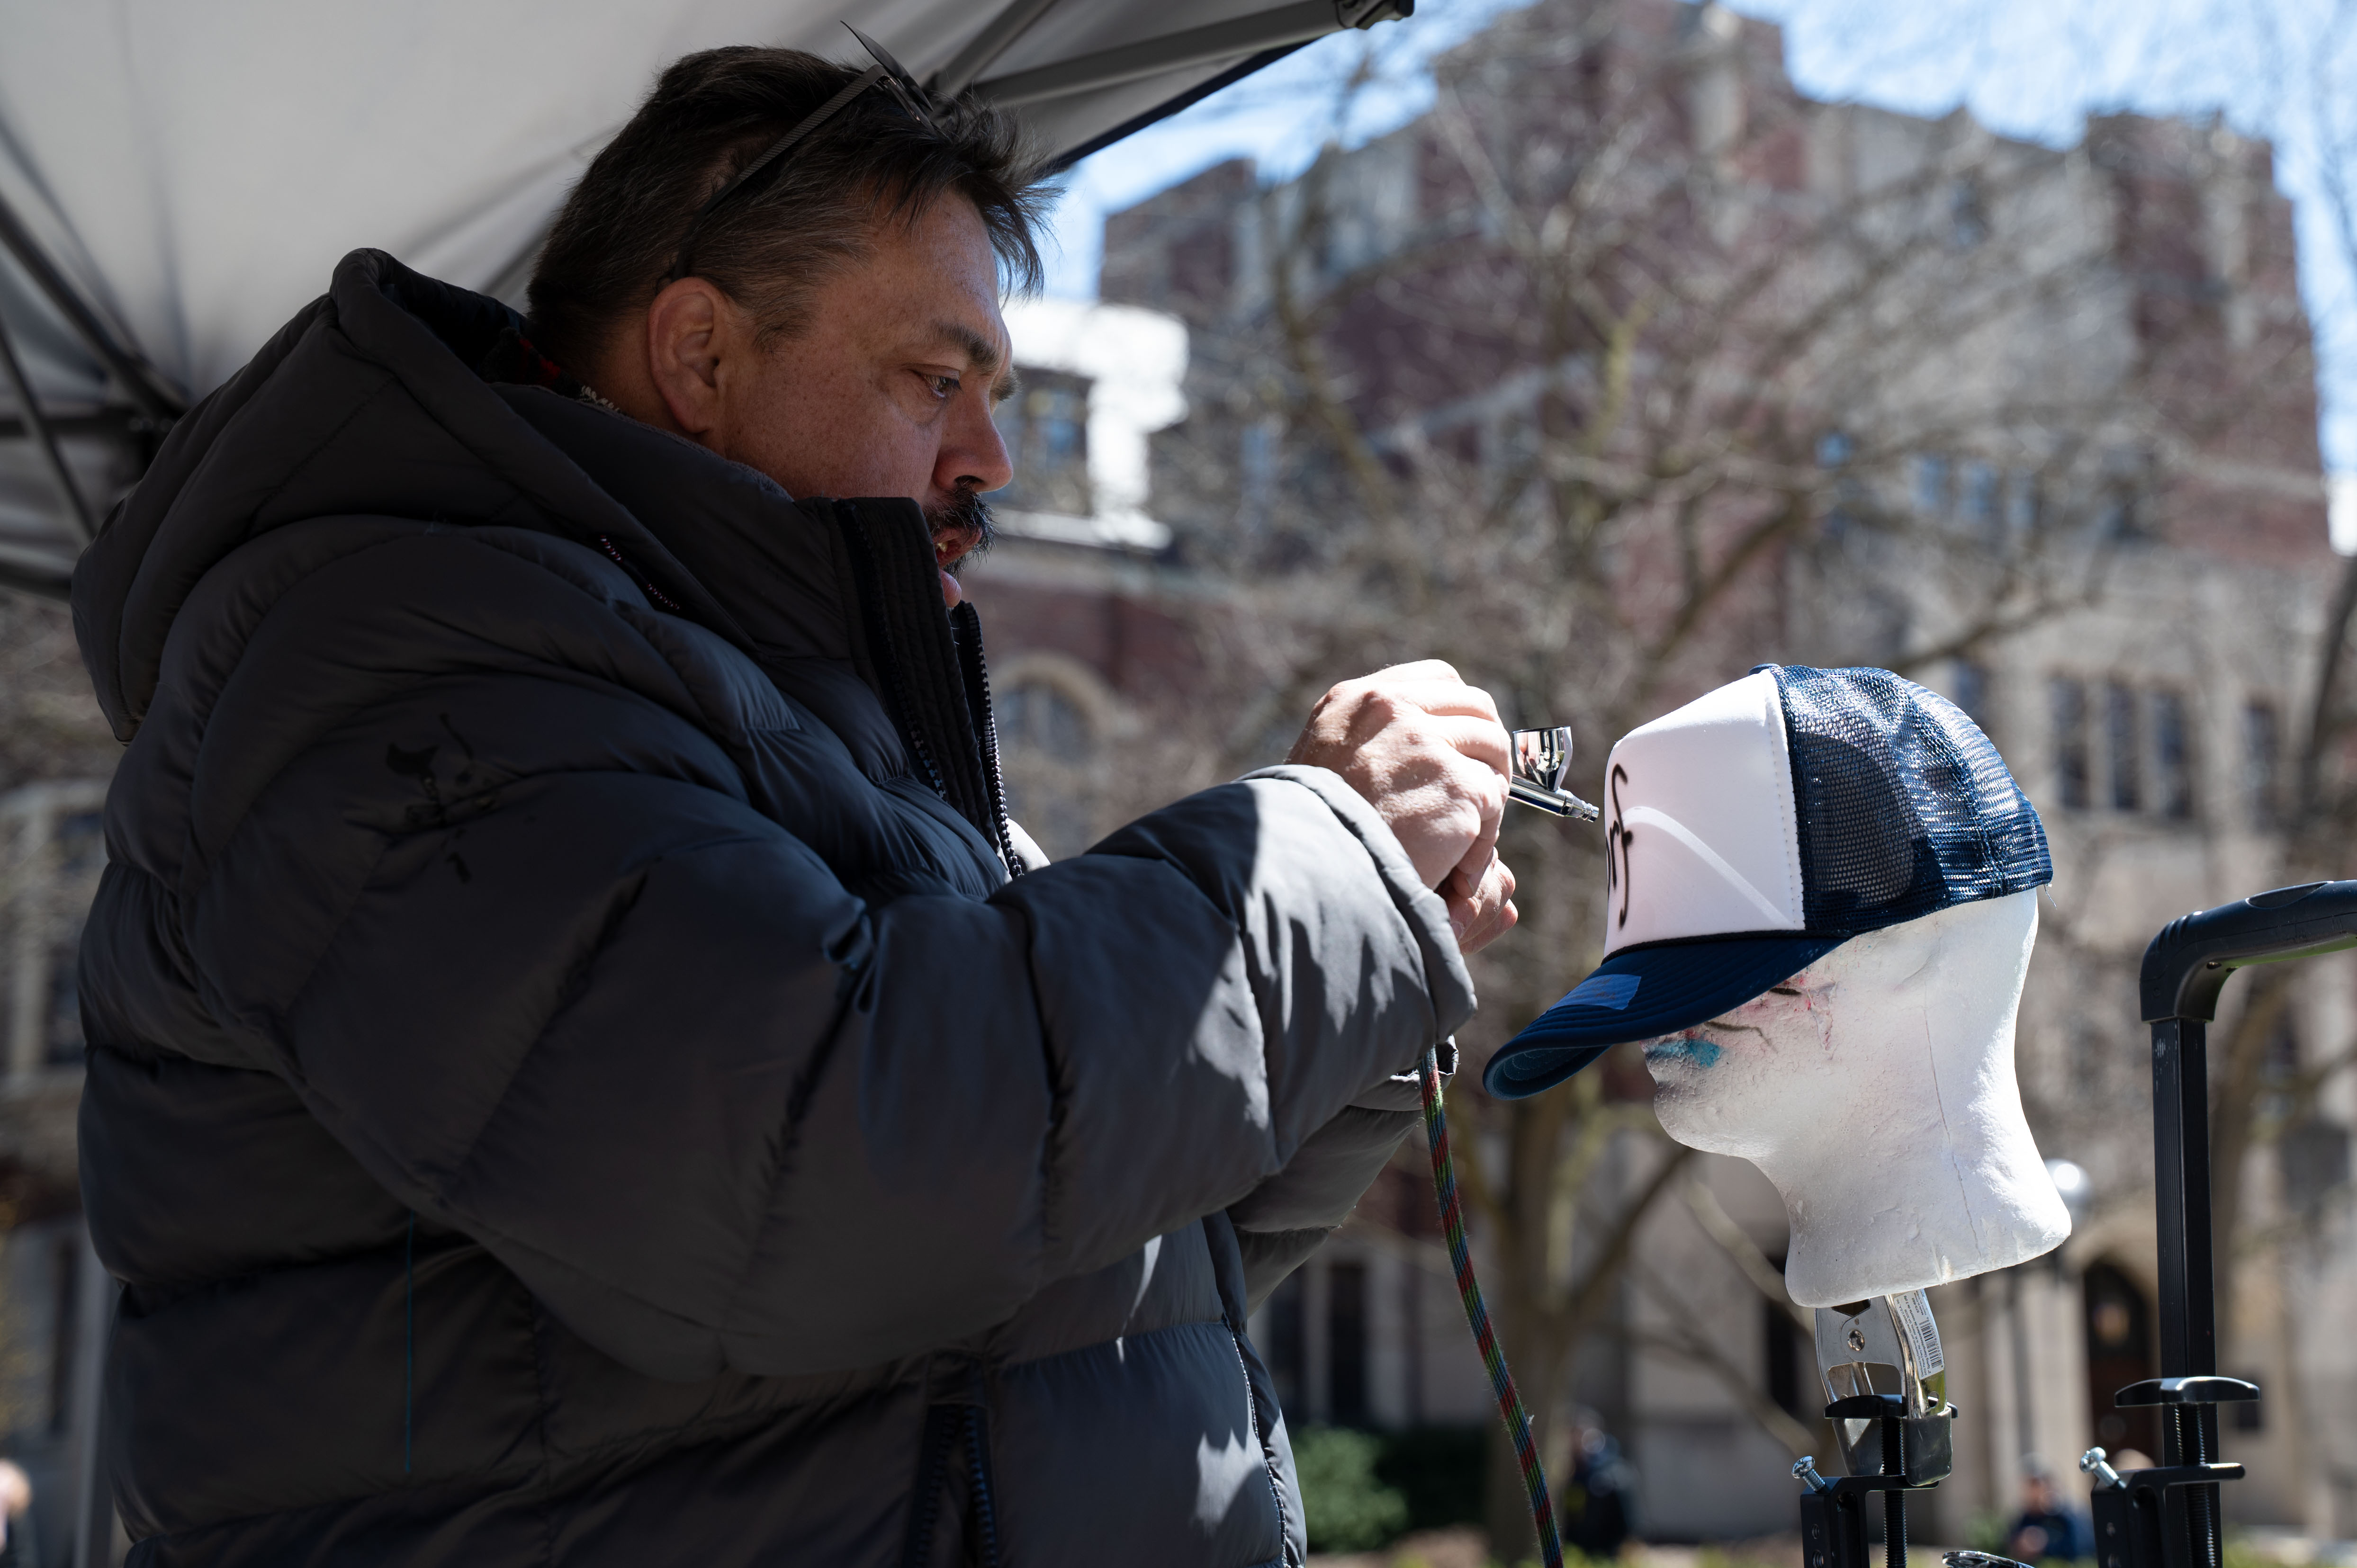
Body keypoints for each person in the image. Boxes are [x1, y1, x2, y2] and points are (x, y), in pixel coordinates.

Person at [68, 45, 1520, 1568]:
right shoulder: (399, 666)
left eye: (1001, 394)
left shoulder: (786, 715)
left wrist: (1366, 967)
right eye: (932, 379)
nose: (994, 458)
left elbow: (1069, 1269)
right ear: (698, 357)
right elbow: (825, 1185)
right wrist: (1317, 858)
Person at [2006, 1458, 2092, 1563]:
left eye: (2037, 1485)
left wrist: (2044, 1546)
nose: (2034, 1493)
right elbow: (2007, 1548)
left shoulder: (2067, 1515)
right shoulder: (2025, 1518)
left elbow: (2080, 1548)